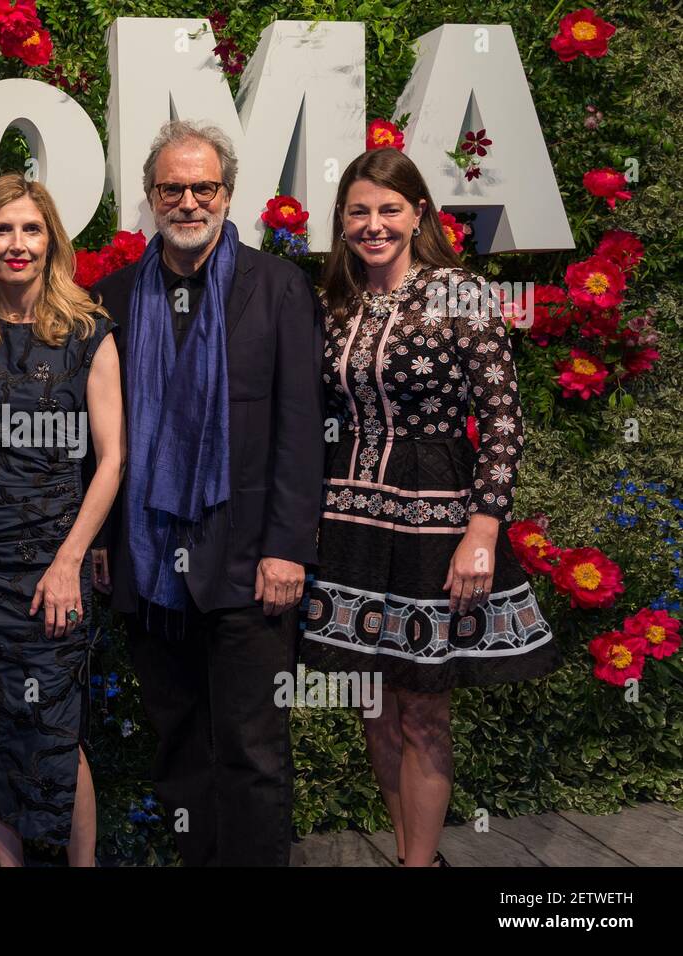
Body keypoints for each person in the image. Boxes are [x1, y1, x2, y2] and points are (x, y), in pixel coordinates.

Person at [298, 148, 560, 866]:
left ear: (418, 214)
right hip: (349, 514)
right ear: (342, 221)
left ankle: (417, 865)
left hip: (435, 519)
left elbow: (503, 419)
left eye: (389, 209)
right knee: (374, 705)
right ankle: (417, 855)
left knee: (423, 706)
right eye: (359, 211)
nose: (373, 224)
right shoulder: (335, 300)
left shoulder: (460, 294)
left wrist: (483, 531)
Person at [90, 119, 325, 866]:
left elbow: (299, 426)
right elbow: (97, 439)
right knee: (181, 741)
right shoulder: (114, 297)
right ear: (151, 197)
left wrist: (287, 549)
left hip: (248, 560)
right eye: (172, 188)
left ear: (227, 192)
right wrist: (100, 542)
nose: (188, 201)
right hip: (150, 560)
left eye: (204, 187)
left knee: (254, 750)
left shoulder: (279, 287)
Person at [0, 173, 125, 866]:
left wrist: (72, 558)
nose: (17, 244)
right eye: (2, 229)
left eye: (31, 229)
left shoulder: (87, 332)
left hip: (49, 564)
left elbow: (112, 459)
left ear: (52, 241)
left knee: (53, 728)